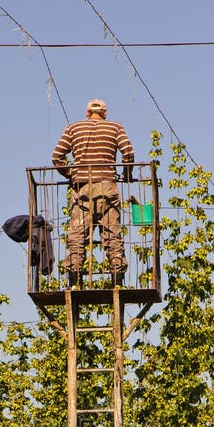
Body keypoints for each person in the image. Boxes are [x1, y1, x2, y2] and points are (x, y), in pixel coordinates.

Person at [52, 98, 134, 288]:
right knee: (111, 232)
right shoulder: (115, 127)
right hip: (107, 187)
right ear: (104, 113)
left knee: (78, 234)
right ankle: (117, 280)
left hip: (82, 189)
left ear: (87, 113)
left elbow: (57, 156)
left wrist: (72, 173)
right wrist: (127, 174)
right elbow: (128, 152)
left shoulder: (73, 128)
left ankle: (74, 280)